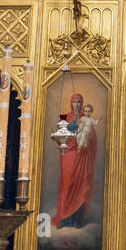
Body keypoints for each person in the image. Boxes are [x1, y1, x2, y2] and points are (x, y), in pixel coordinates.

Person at [52, 93, 97, 228]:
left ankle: (77, 220)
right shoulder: (67, 118)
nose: (76, 104)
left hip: (82, 157)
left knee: (81, 185)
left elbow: (93, 139)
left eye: (79, 102)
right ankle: (64, 219)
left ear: (82, 103)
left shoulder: (86, 118)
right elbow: (62, 137)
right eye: (74, 102)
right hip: (69, 156)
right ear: (71, 104)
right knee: (67, 184)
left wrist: (86, 141)